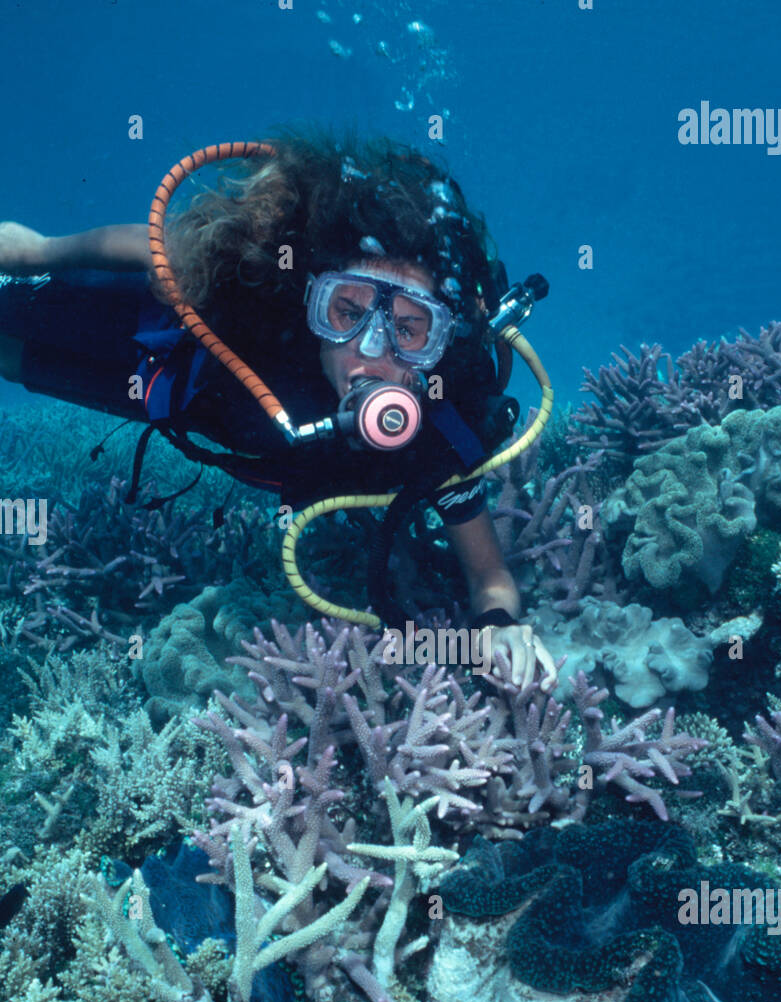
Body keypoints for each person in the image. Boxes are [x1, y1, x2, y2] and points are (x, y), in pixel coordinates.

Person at [0, 129, 557, 690]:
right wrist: (37, 250)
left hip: (167, 404)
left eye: (408, 328)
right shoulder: (264, 301)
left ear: (437, 346)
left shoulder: (440, 433)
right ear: (313, 300)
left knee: (13, 363)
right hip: (165, 334)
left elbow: (489, 576)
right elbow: (166, 250)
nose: (371, 348)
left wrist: (498, 625)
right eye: (347, 311)